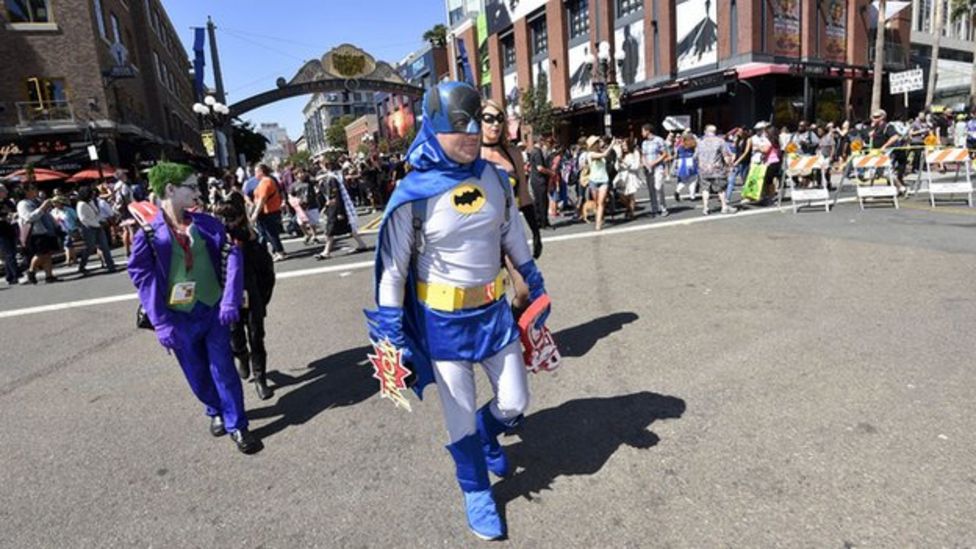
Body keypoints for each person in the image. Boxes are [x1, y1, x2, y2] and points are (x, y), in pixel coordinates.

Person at [366, 81, 549, 541]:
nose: (471, 136)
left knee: (514, 401)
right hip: (441, 322)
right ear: (435, 127)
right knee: (459, 414)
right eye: (459, 126)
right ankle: (474, 489)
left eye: (476, 125)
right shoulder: (414, 194)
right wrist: (390, 329)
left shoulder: (493, 177)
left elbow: (509, 234)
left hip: (493, 312)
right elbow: (392, 270)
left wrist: (532, 274)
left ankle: (490, 436)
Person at [127, 162, 261, 454]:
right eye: (192, 187)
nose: (198, 193)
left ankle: (238, 425)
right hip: (178, 317)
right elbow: (142, 276)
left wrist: (229, 298)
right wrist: (160, 321)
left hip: (213, 310)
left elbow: (232, 254)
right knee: (196, 373)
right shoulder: (150, 234)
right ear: (171, 190)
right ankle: (214, 409)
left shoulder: (207, 224)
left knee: (223, 368)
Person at [480, 98, 542, 319]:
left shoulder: (513, 154)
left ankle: (512, 327)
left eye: (499, 119)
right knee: (487, 298)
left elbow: (524, 195)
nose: (494, 124)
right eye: (488, 119)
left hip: (510, 233)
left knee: (525, 290)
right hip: (480, 238)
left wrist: (536, 232)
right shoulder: (469, 156)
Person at [214, 193, 276, 401]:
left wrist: (263, 299)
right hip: (228, 297)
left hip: (252, 293)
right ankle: (241, 355)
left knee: (257, 336)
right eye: (223, 219)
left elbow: (267, 273)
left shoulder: (252, 239)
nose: (227, 223)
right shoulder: (218, 239)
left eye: (231, 218)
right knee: (235, 336)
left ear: (241, 217)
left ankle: (261, 379)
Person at [314, 158, 369, 260]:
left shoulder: (332, 179)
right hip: (334, 207)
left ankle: (326, 252)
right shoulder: (330, 178)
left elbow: (336, 196)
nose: (320, 166)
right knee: (349, 228)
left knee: (330, 230)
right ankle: (362, 244)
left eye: (321, 164)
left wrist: (339, 212)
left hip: (336, 208)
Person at [16, 183, 60, 284]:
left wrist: (55, 224)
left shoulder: (36, 201)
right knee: (41, 253)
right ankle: (31, 271)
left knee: (48, 253)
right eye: (32, 188)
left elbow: (47, 214)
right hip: (35, 232)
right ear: (26, 192)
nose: (35, 190)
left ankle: (49, 275)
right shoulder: (23, 204)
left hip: (46, 230)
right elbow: (29, 218)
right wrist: (42, 208)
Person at [76, 186, 117, 275]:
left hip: (98, 226)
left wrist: (101, 221)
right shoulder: (81, 204)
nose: (92, 195)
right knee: (89, 248)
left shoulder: (90, 202)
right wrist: (97, 224)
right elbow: (83, 219)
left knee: (105, 246)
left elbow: (96, 213)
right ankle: (82, 266)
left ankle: (111, 266)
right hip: (88, 228)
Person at [250, 164, 287, 262]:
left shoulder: (265, 182)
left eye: (256, 172)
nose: (255, 174)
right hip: (268, 211)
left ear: (261, 172)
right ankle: (276, 251)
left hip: (269, 211)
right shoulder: (265, 181)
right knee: (267, 233)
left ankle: (280, 252)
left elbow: (262, 199)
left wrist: (255, 213)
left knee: (271, 233)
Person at [695, 125, 735, 215]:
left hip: (704, 170)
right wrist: (730, 166)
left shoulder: (700, 142)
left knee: (705, 189)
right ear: (715, 132)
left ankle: (705, 208)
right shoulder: (720, 141)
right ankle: (724, 207)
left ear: (705, 131)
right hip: (717, 170)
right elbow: (726, 156)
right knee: (720, 189)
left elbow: (696, 156)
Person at [868, 109, 908, 196]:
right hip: (876, 153)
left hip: (885, 153)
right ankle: (900, 188)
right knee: (874, 172)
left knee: (886, 172)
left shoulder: (888, 127)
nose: (874, 119)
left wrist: (884, 146)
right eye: (873, 117)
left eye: (876, 117)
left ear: (882, 117)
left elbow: (895, 137)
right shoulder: (876, 128)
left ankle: (901, 188)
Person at [640, 123, 670, 217]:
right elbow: (643, 155)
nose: (642, 133)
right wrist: (645, 163)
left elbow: (664, 154)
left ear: (648, 131)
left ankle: (663, 207)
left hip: (658, 167)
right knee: (651, 189)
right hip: (648, 168)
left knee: (658, 187)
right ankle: (654, 208)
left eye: (643, 131)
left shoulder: (659, 140)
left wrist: (653, 163)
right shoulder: (644, 143)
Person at [585, 135, 613, 231]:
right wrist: (611, 144)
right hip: (593, 180)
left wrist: (607, 144)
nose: (598, 143)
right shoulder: (590, 154)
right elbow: (604, 155)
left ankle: (598, 223)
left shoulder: (600, 151)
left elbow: (606, 154)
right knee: (597, 202)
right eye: (596, 142)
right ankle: (601, 217)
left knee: (601, 202)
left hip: (604, 180)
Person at [613, 138, 644, 219]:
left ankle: (631, 213)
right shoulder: (621, 154)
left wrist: (625, 163)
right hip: (622, 175)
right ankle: (628, 208)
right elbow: (616, 167)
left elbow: (636, 166)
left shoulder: (635, 153)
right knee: (620, 194)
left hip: (631, 175)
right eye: (622, 146)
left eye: (625, 145)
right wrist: (619, 162)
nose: (623, 147)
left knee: (631, 195)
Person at [0, 183, 21, 285]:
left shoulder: (8, 202)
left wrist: (14, 215)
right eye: (4, 190)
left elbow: (14, 211)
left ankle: (10, 276)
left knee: (11, 253)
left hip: (11, 228)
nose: (6, 192)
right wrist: (4, 218)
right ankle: (16, 275)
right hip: (2, 231)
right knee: (9, 254)